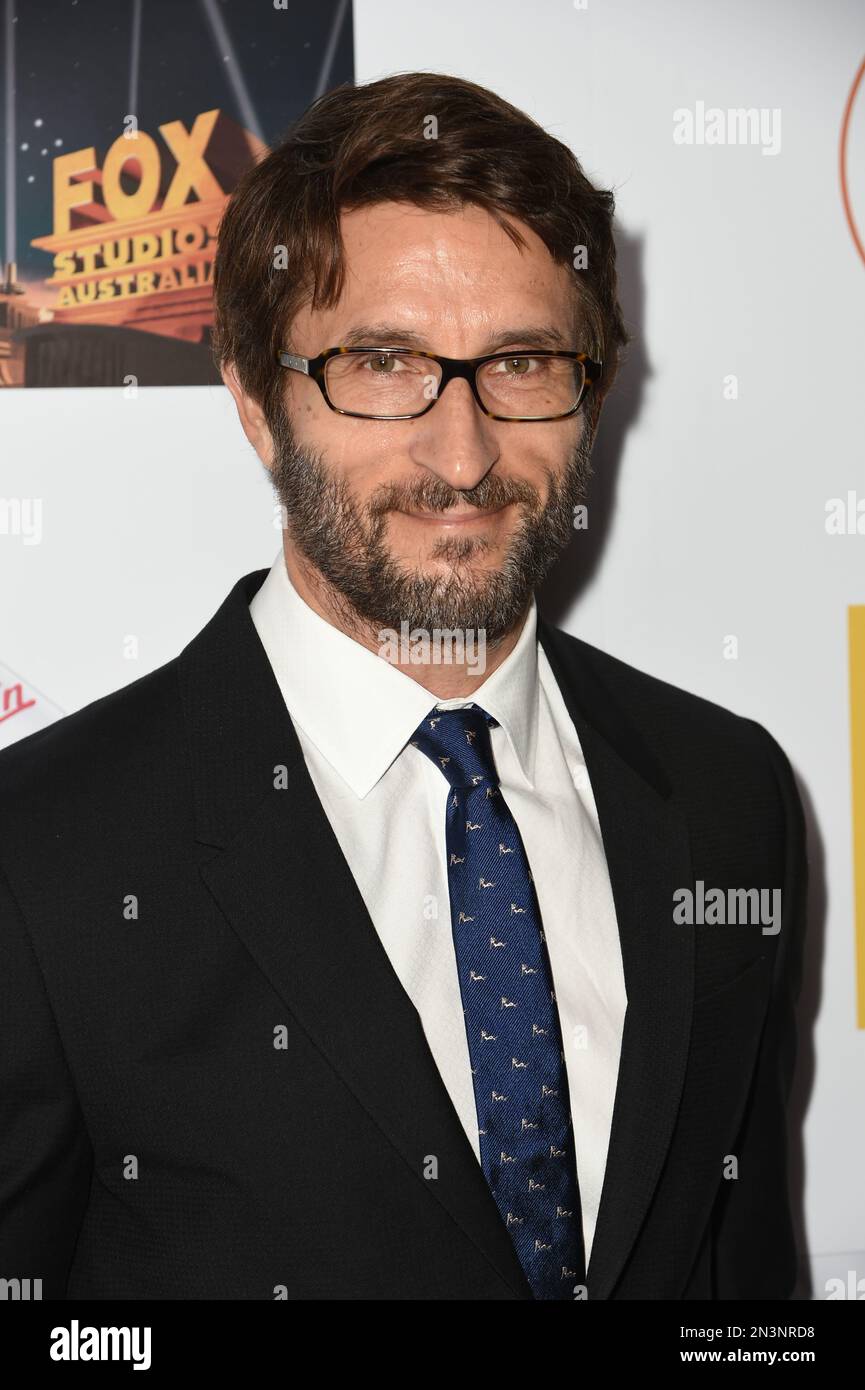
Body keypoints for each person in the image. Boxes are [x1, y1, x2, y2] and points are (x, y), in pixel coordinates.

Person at [0, 71, 806, 1300]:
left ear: (592, 391)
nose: (464, 450)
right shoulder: (41, 851)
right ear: (259, 403)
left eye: (523, 361)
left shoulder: (724, 790)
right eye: (383, 364)